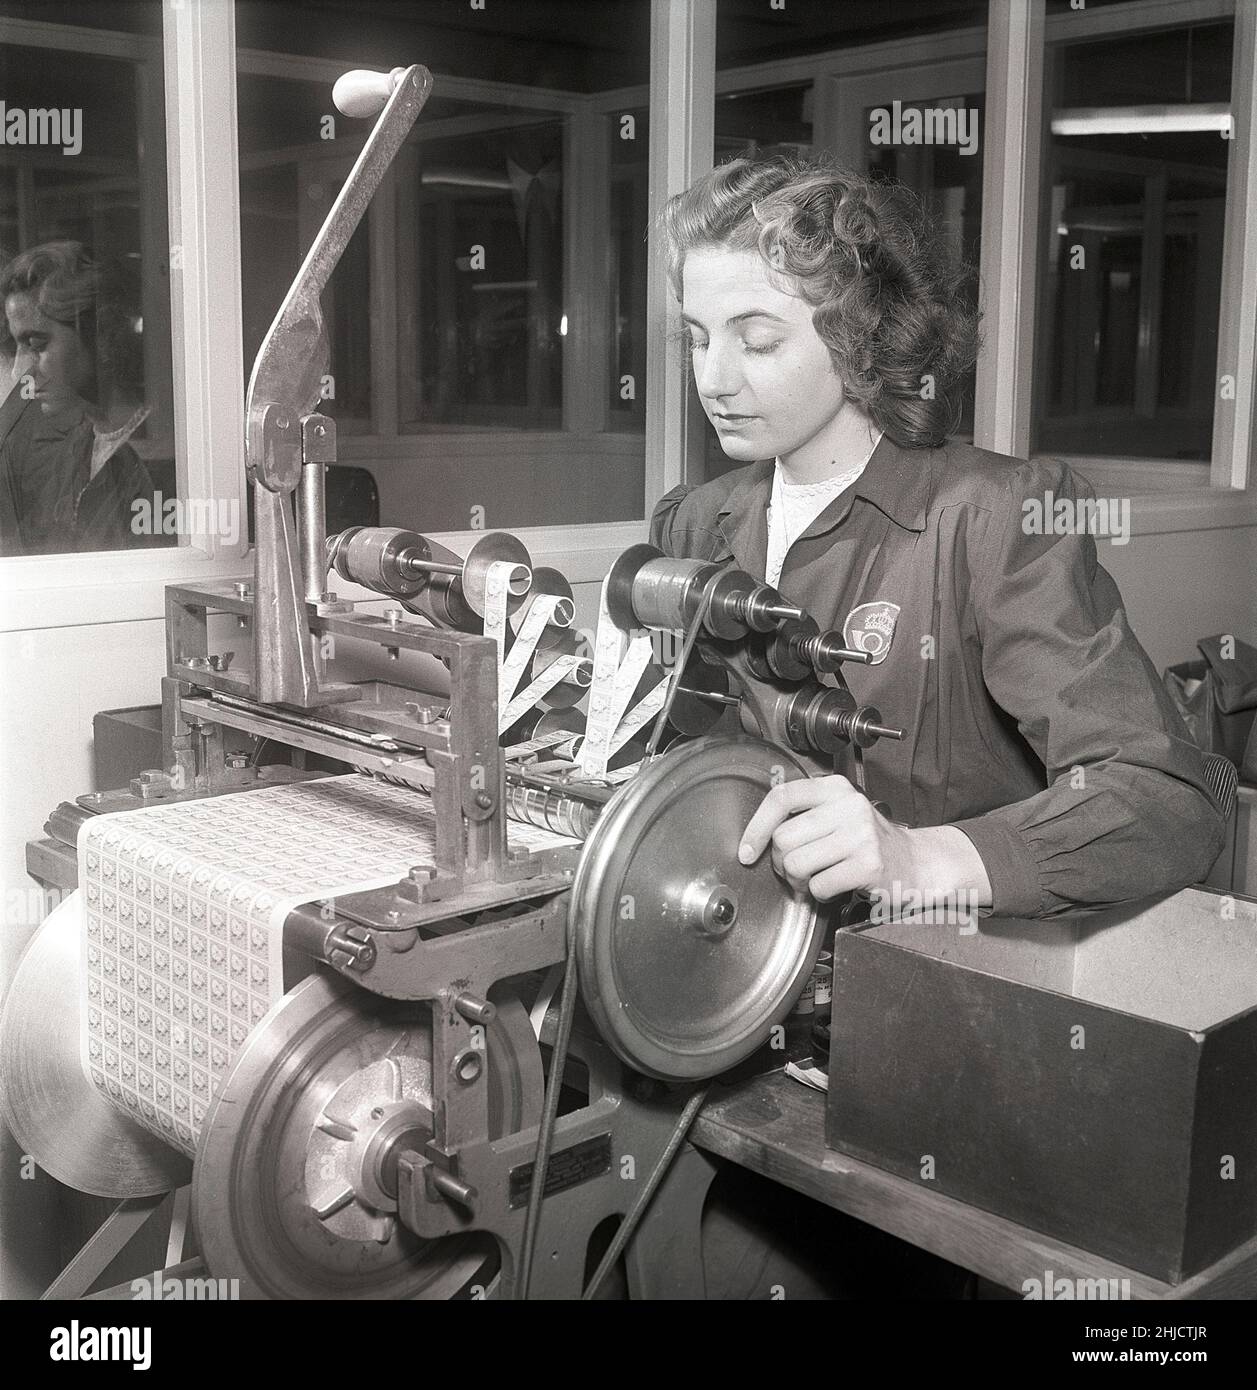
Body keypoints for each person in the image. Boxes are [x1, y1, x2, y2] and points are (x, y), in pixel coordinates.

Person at [652, 155, 1226, 920]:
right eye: (696, 338)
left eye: (756, 343)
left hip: (942, 971)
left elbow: (1162, 801)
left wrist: (924, 857)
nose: (713, 379)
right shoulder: (695, 522)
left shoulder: (994, 518)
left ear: (860, 341)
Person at [0, 240, 156, 556]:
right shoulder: (65, 445)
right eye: (16, 347)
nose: (20, 372)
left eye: (37, 344)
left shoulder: (153, 454)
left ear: (98, 333)